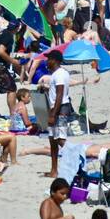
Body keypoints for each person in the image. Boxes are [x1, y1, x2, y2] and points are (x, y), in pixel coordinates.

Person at [39, 50, 72, 178]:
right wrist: (46, 89)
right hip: (57, 108)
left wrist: (53, 115)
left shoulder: (59, 74)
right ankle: (54, 170)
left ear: (54, 60)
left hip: (60, 109)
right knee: (53, 140)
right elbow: (57, 92)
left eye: (49, 59)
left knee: (61, 139)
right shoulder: (57, 74)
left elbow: (60, 94)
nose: (47, 61)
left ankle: (75, 160)